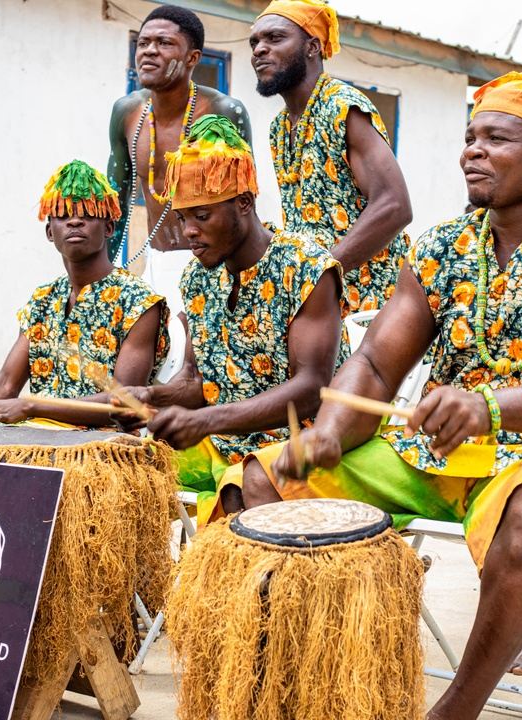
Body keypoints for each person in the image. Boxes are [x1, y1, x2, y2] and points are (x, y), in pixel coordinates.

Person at [236, 71, 522, 720]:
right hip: (435, 453)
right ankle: (299, 686)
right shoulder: (444, 247)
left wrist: (494, 408)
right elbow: (378, 364)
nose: (473, 149)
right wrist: (329, 431)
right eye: (469, 137)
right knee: (264, 480)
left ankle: (456, 708)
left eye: (496, 137)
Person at [118, 115, 344, 523]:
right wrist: (153, 398)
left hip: (299, 445)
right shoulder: (197, 276)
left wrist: (207, 419)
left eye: (201, 216)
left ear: (244, 203)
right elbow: (195, 379)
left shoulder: (306, 266)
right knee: (122, 469)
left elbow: (312, 389)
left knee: (241, 491)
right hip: (220, 439)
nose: (187, 231)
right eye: (182, 217)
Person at [0, 160, 169, 454]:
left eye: (87, 214)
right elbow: (6, 383)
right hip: (33, 436)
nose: (75, 221)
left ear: (108, 227)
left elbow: (122, 404)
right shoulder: (43, 300)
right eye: (64, 214)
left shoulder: (139, 301)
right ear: (49, 232)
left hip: (99, 447)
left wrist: (31, 406)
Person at [250, 0, 412, 314]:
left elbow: (394, 205)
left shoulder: (342, 106)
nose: (259, 49)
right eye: (254, 42)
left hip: (369, 304)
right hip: (318, 301)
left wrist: (324, 273)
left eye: (274, 38)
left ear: (312, 47)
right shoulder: (280, 128)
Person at [107, 5, 252, 320]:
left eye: (164, 43)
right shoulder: (127, 113)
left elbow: (244, 204)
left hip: (212, 270)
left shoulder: (223, 112)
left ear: (193, 58)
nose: (149, 51)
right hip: (154, 264)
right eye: (143, 43)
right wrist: (105, 279)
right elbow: (113, 202)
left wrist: (241, 283)